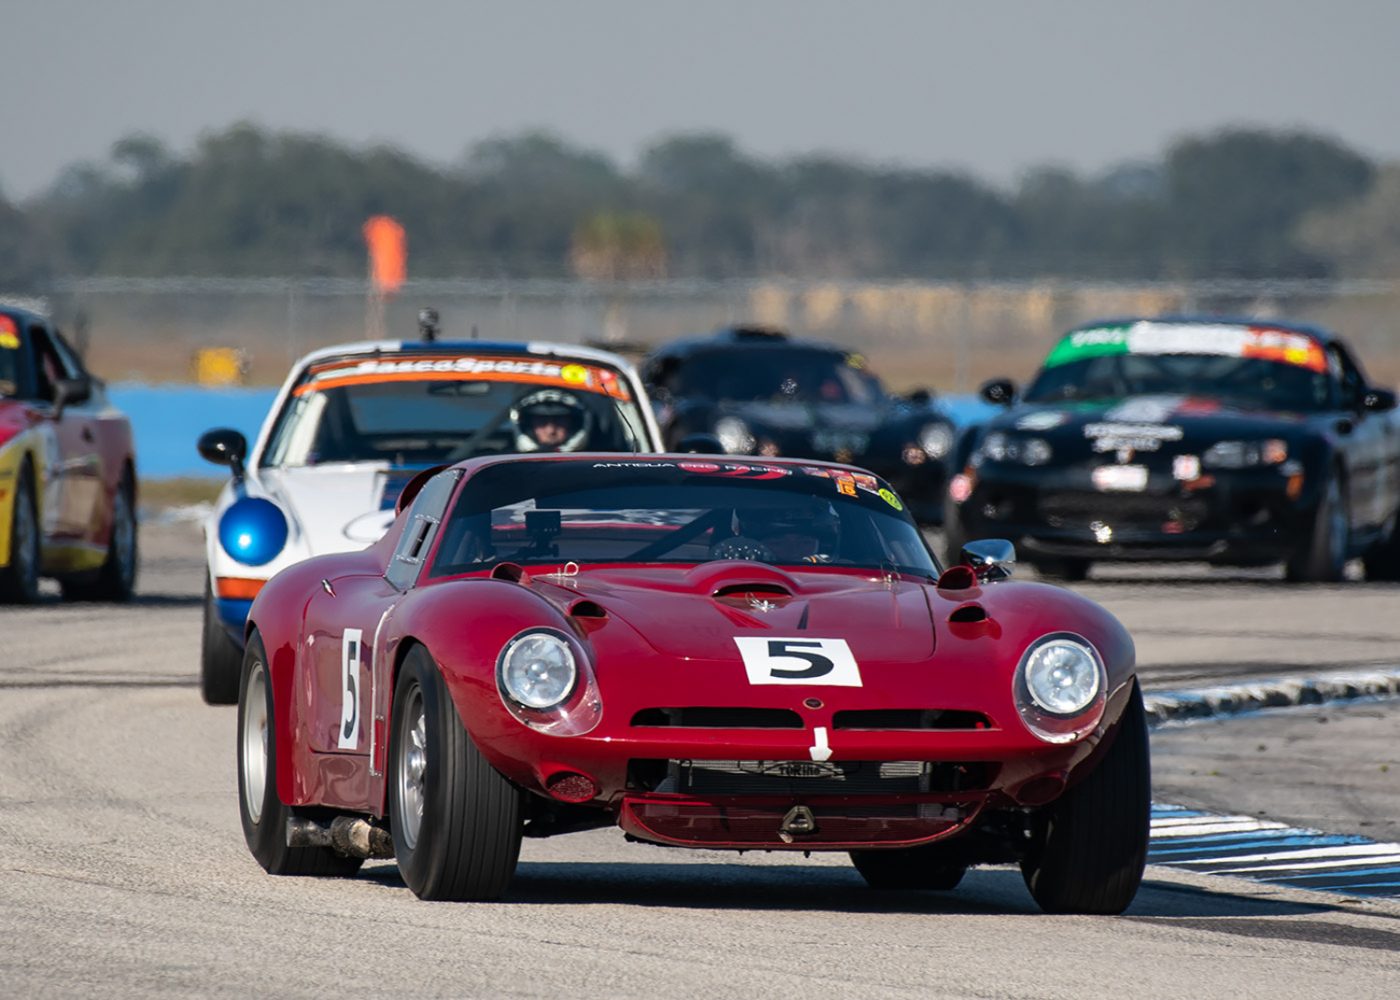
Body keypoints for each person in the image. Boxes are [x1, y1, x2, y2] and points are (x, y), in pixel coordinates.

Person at [712, 498, 841, 564]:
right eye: (778, 543)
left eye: (805, 542)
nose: (793, 551)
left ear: (821, 545)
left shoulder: (844, 577)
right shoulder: (733, 574)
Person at [512, 389, 592, 452]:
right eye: (542, 422)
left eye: (559, 421)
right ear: (527, 424)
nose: (551, 431)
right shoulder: (505, 464)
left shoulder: (596, 463)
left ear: (574, 423)